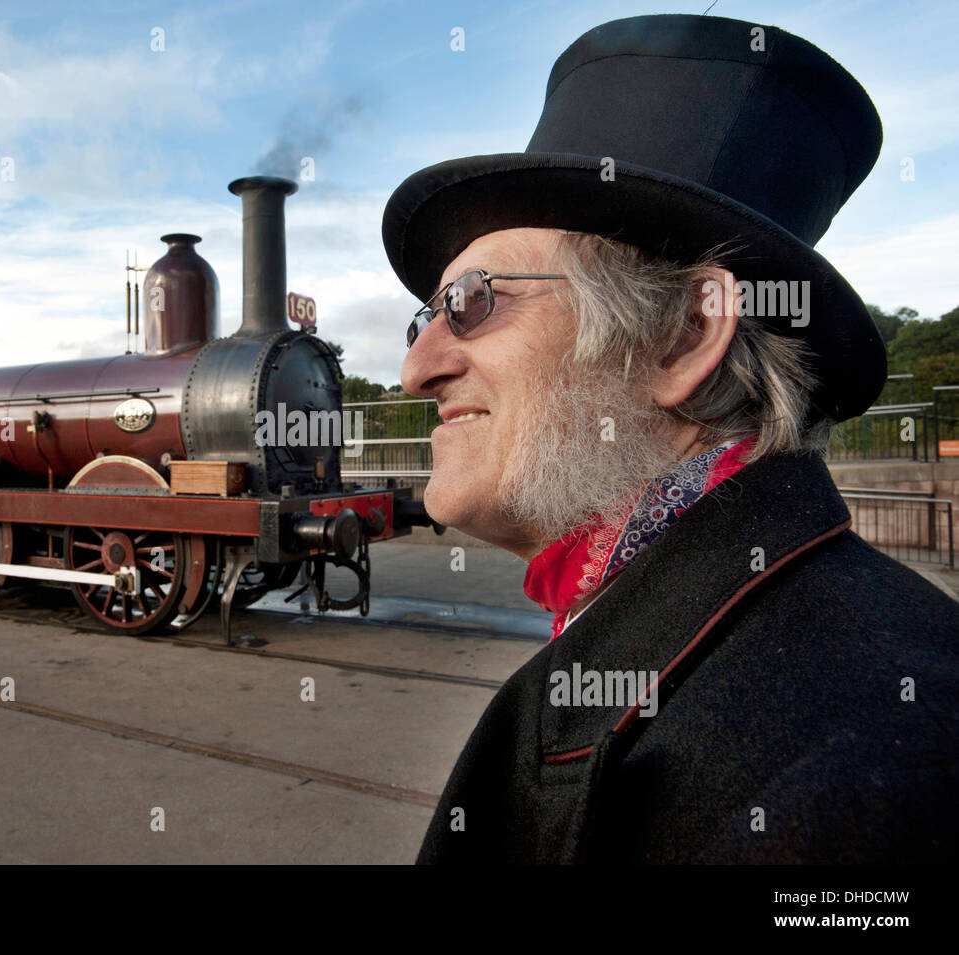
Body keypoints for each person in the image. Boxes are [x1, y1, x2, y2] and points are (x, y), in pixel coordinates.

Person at [384, 13, 959, 863]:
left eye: (472, 300)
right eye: (421, 320)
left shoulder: (863, 771)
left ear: (685, 335)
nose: (416, 368)